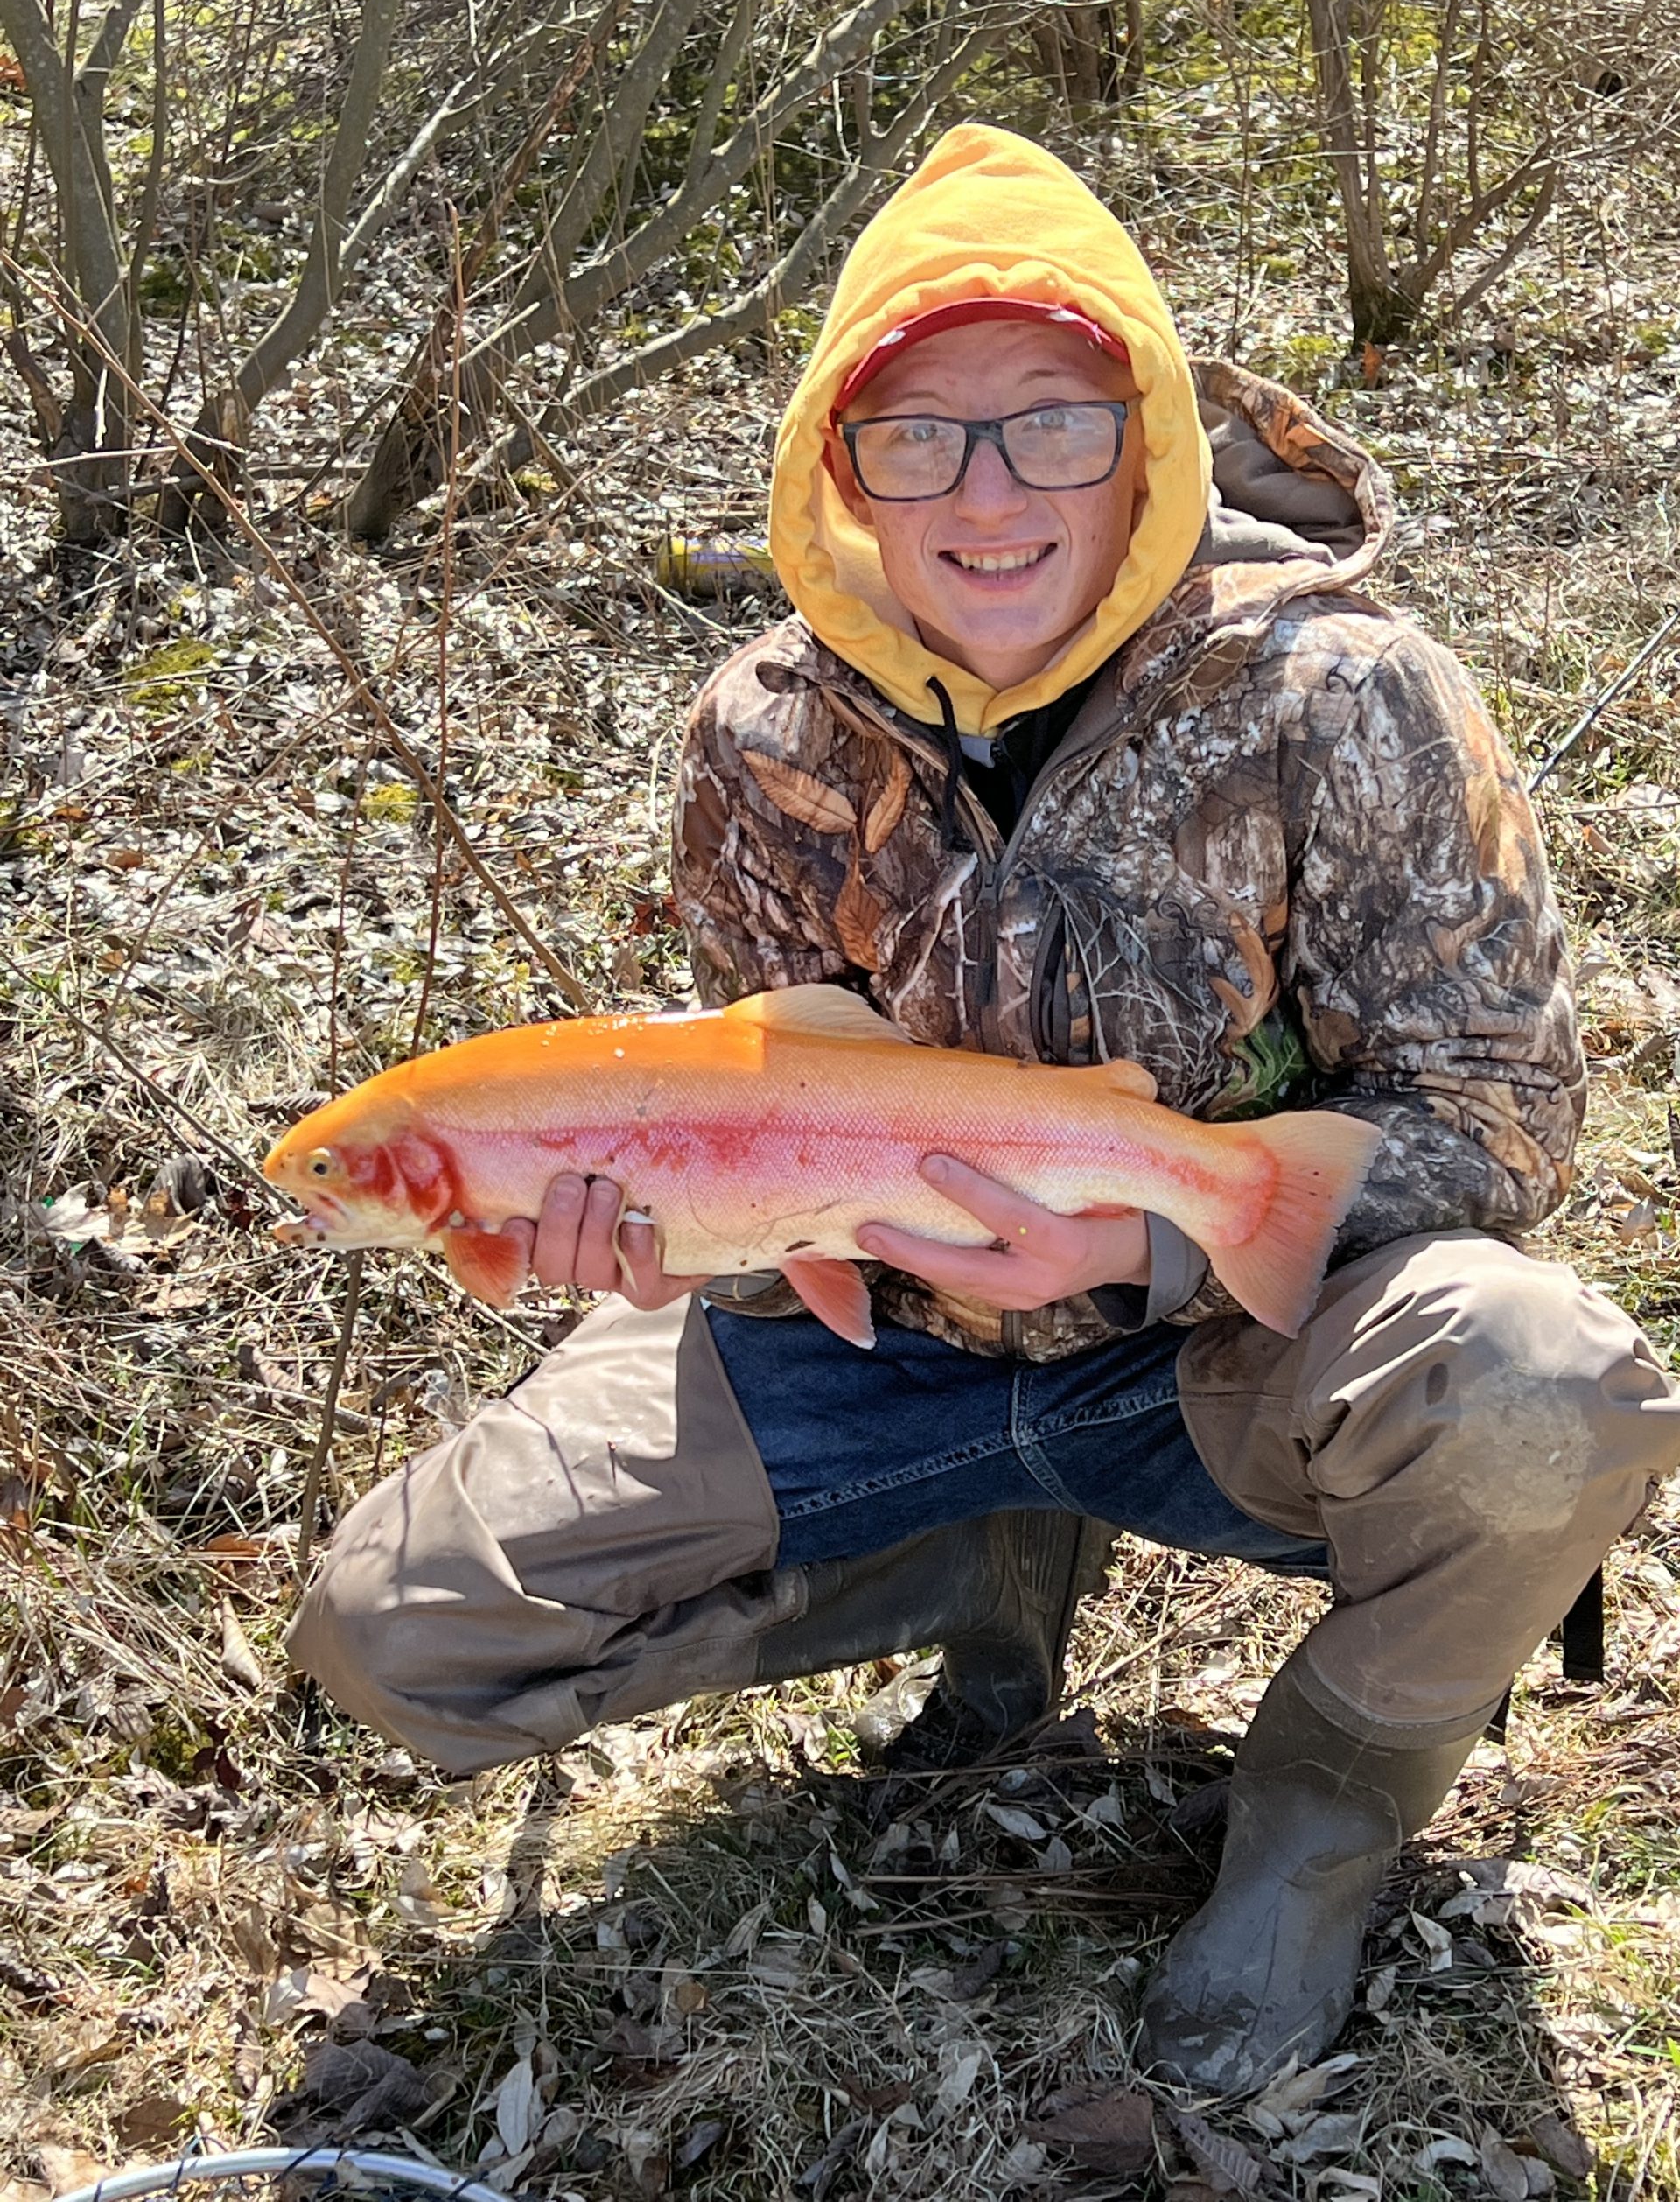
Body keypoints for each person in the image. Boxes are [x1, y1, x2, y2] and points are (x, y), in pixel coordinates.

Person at [287, 125, 1680, 2094]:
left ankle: (1313, 1840)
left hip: (1207, 1356)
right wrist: (644, 1248)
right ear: (838, 466)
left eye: (1054, 421)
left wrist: (1154, 1229)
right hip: (892, 1352)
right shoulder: (760, 730)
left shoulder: (1345, 690)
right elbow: (765, 1133)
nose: (989, 489)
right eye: (918, 434)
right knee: (397, 1627)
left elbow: (1507, 1118)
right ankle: (952, 1556)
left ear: (1154, 435)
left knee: (1549, 1388)